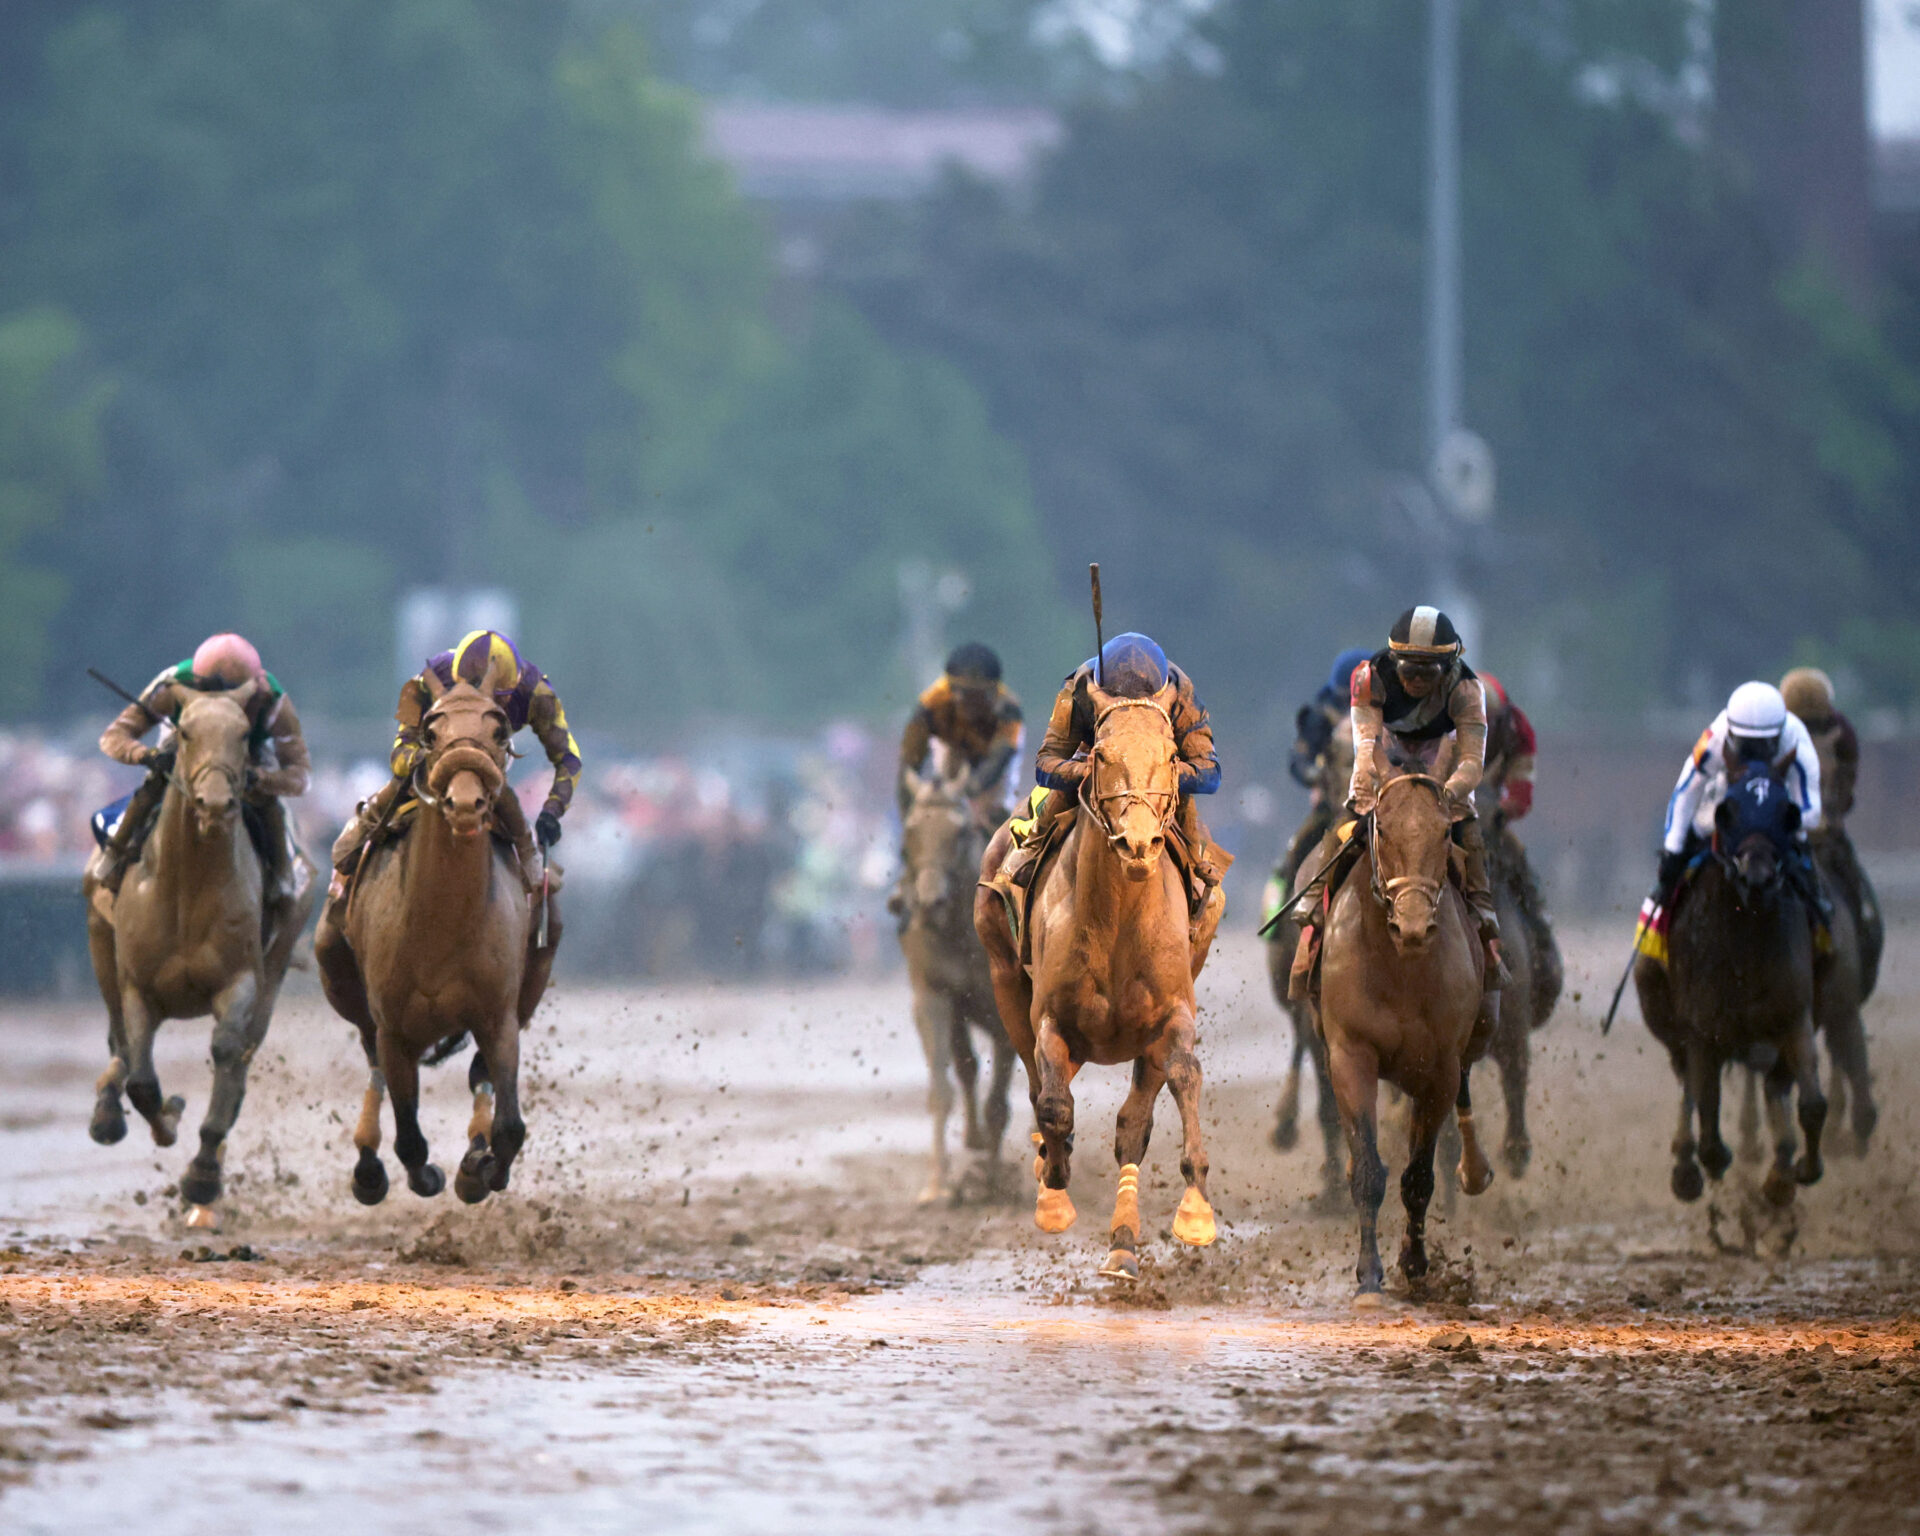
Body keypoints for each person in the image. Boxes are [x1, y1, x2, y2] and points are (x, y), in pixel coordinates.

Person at [1287, 606, 1503, 1001]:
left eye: (1429, 672)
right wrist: (1385, 786)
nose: (1417, 680)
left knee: (1467, 831)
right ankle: (1315, 909)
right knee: (1347, 823)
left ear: (1449, 666)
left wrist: (1445, 794)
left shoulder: (1468, 690)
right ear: (1393, 660)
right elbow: (1366, 748)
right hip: (1385, 753)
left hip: (1444, 758)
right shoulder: (1369, 678)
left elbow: (1473, 762)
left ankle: (1483, 916)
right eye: (1408, 670)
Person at [328, 629, 579, 901]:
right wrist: (422, 758)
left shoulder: (537, 691)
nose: (499, 702)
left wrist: (552, 811)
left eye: (503, 696)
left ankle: (527, 853)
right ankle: (362, 836)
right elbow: (400, 750)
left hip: (491, 758)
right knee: (401, 781)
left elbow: (569, 758)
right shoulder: (428, 678)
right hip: (433, 753)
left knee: (496, 786)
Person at [998, 632, 1227, 904]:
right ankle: (1035, 849)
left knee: (1211, 896)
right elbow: (1045, 764)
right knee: (1059, 793)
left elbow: (1210, 773)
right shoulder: (1078, 688)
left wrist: (1170, 771)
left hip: (1158, 781)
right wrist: (1083, 770)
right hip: (1099, 770)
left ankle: (1195, 865)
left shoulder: (1181, 694)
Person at [96, 633, 310, 911]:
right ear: (194, 684)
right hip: (189, 738)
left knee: (266, 800)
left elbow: (301, 775)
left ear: (253, 689)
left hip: (245, 748)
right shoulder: (171, 685)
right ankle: (116, 853)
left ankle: (281, 876)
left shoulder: (273, 701)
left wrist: (264, 779)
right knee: (156, 782)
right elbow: (114, 736)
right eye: (208, 695)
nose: (216, 708)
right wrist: (145, 755)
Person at [1647, 679, 1825, 933]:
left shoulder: (1797, 743)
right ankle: (1652, 934)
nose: (1754, 752)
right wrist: (1672, 852)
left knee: (1804, 862)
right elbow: (1686, 791)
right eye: (1746, 744)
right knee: (1675, 866)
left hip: (1780, 809)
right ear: (1731, 735)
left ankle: (1820, 923)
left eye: (1762, 745)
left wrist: (1776, 818)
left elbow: (1811, 811)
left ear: (1778, 736)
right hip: (1726, 796)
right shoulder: (1714, 740)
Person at [1265, 648, 1369, 926]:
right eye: (1347, 697)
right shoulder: (1319, 718)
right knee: (1297, 850)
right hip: (1333, 808)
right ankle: (1277, 915)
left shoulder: (1389, 717)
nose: (1351, 703)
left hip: (1381, 809)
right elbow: (1299, 758)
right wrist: (1313, 774)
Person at [1476, 671, 1558, 979]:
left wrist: (1500, 811)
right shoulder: (1442, 723)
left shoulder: (1518, 732)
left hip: (1489, 821)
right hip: (1447, 815)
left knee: (1517, 858)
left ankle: (1539, 932)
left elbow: (1521, 794)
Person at [896, 642, 1024, 821]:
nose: (967, 702)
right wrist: (908, 815)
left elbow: (997, 761)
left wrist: (971, 789)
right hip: (951, 746)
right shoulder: (931, 703)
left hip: (990, 759)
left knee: (995, 810)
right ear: (950, 687)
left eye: (977, 696)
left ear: (994, 691)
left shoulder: (1008, 710)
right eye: (960, 692)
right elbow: (909, 760)